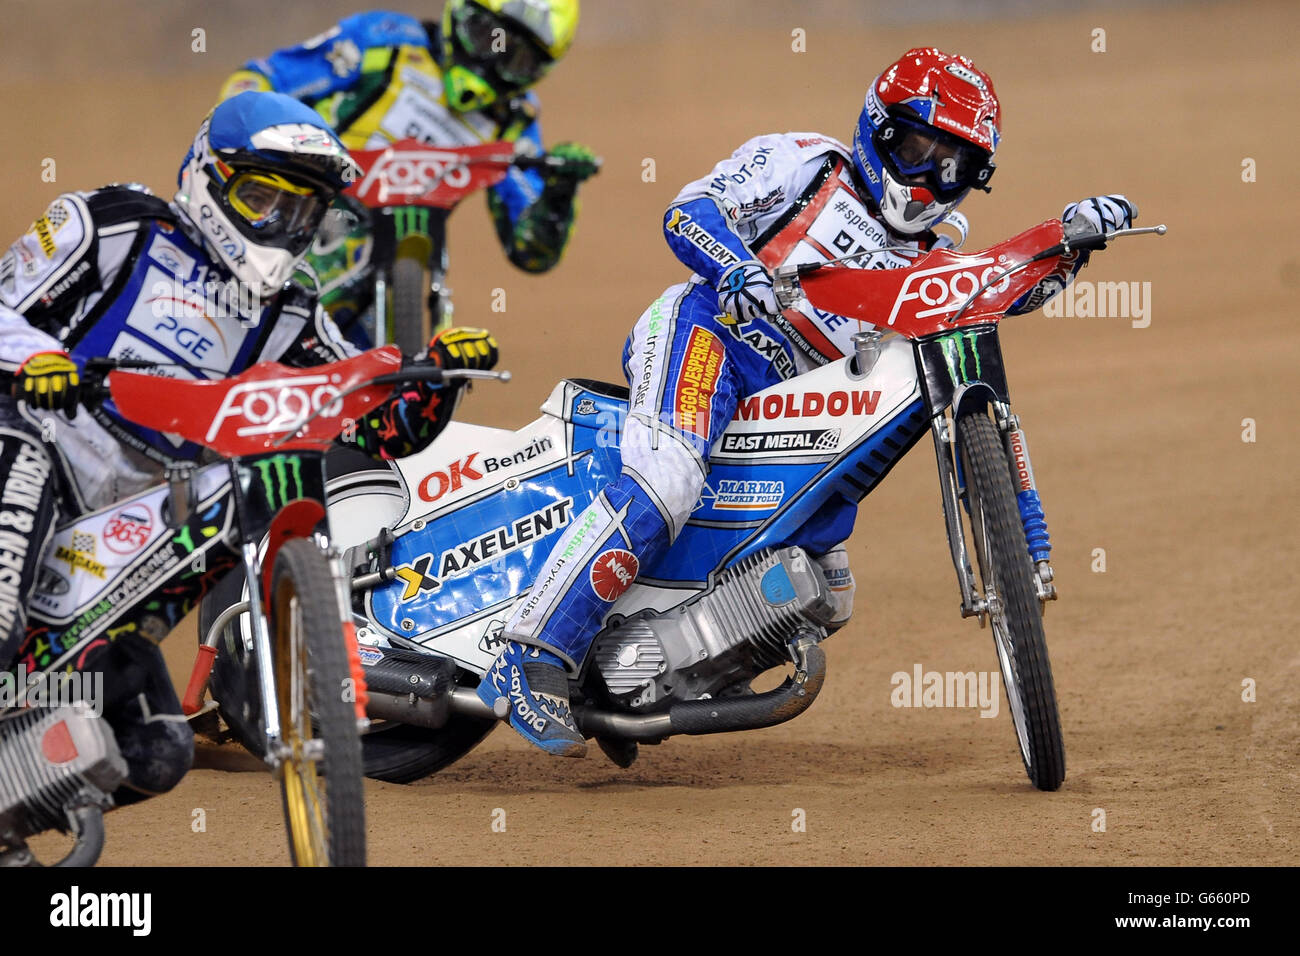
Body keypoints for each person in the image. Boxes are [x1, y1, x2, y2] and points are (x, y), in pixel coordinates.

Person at [476, 47, 1138, 757]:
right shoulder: (804, 162)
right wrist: (736, 267)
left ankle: (641, 676)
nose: (930, 178)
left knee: (825, 585)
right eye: (918, 147)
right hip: (711, 336)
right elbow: (688, 210)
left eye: (955, 165)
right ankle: (529, 652)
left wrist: (1070, 246)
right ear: (879, 130)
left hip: (799, 408)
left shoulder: (939, 255)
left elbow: (1000, 292)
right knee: (665, 477)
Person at [0, 91, 498, 806]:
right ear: (211, 174)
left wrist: (435, 378)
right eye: (263, 197)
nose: (281, 224)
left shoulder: (292, 314)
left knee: (156, 750)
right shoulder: (112, 226)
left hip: (137, 517)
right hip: (35, 445)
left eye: (302, 211)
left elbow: (370, 426)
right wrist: (33, 361)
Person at [219, 2, 599, 342]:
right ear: (460, 14)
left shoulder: (515, 120)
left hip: (400, 265)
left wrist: (559, 192)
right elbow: (265, 79)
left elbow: (531, 251)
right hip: (300, 208)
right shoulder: (385, 40)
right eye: (486, 37)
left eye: (517, 61)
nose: (491, 62)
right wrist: (240, 137)